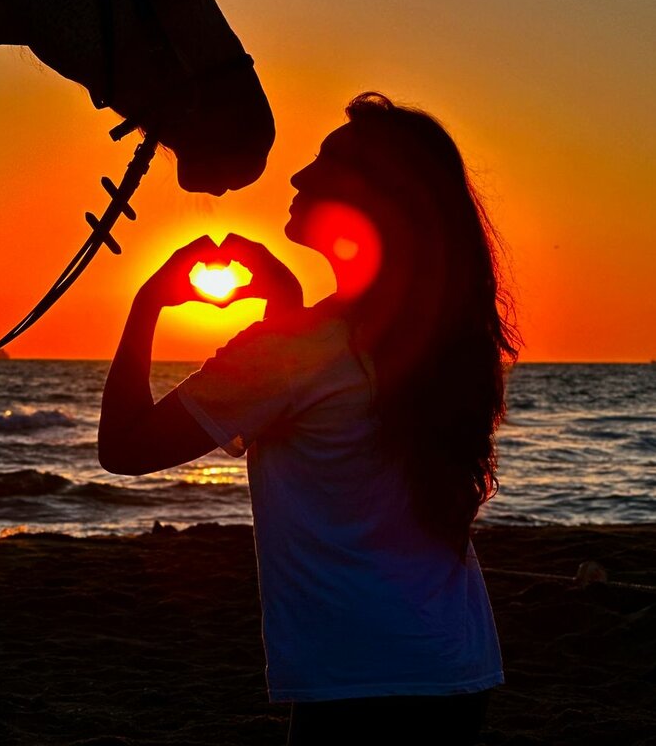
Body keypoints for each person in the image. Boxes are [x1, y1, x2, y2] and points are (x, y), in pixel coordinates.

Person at [99, 92, 519, 745]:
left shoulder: (297, 351)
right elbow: (332, 439)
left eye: (326, 163)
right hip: (454, 662)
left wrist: (147, 303)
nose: (297, 176)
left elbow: (125, 447)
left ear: (371, 199)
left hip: (359, 676)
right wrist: (287, 307)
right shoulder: (433, 339)